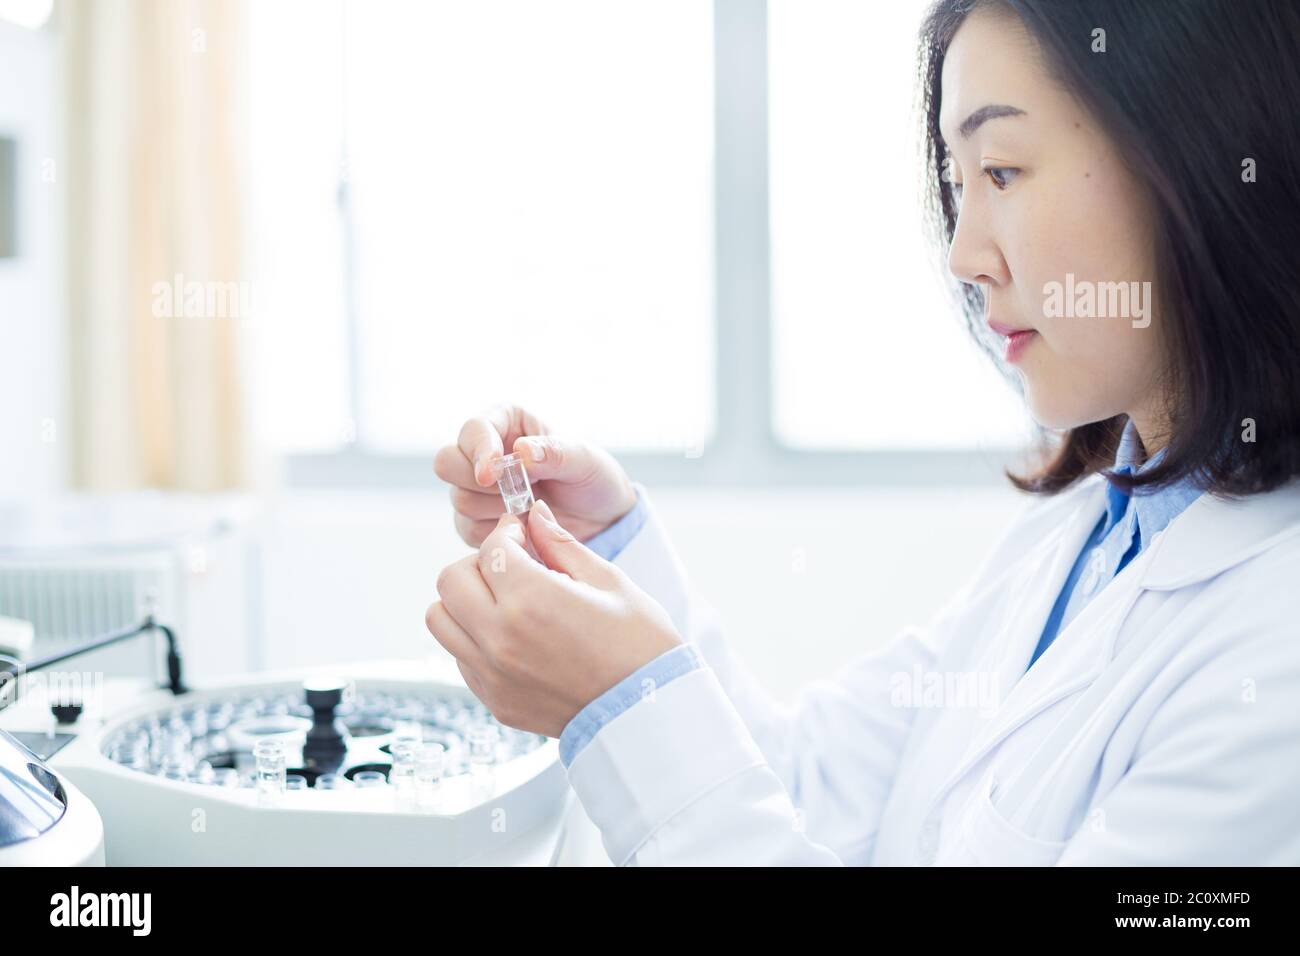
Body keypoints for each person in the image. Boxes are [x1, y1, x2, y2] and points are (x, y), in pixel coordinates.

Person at [425, 0, 1300, 865]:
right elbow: (807, 789)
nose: (963, 255)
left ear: (1196, 158)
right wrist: (607, 550)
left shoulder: (1270, 666)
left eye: (1001, 171)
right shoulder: (1086, 536)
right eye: (957, 184)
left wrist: (620, 707)